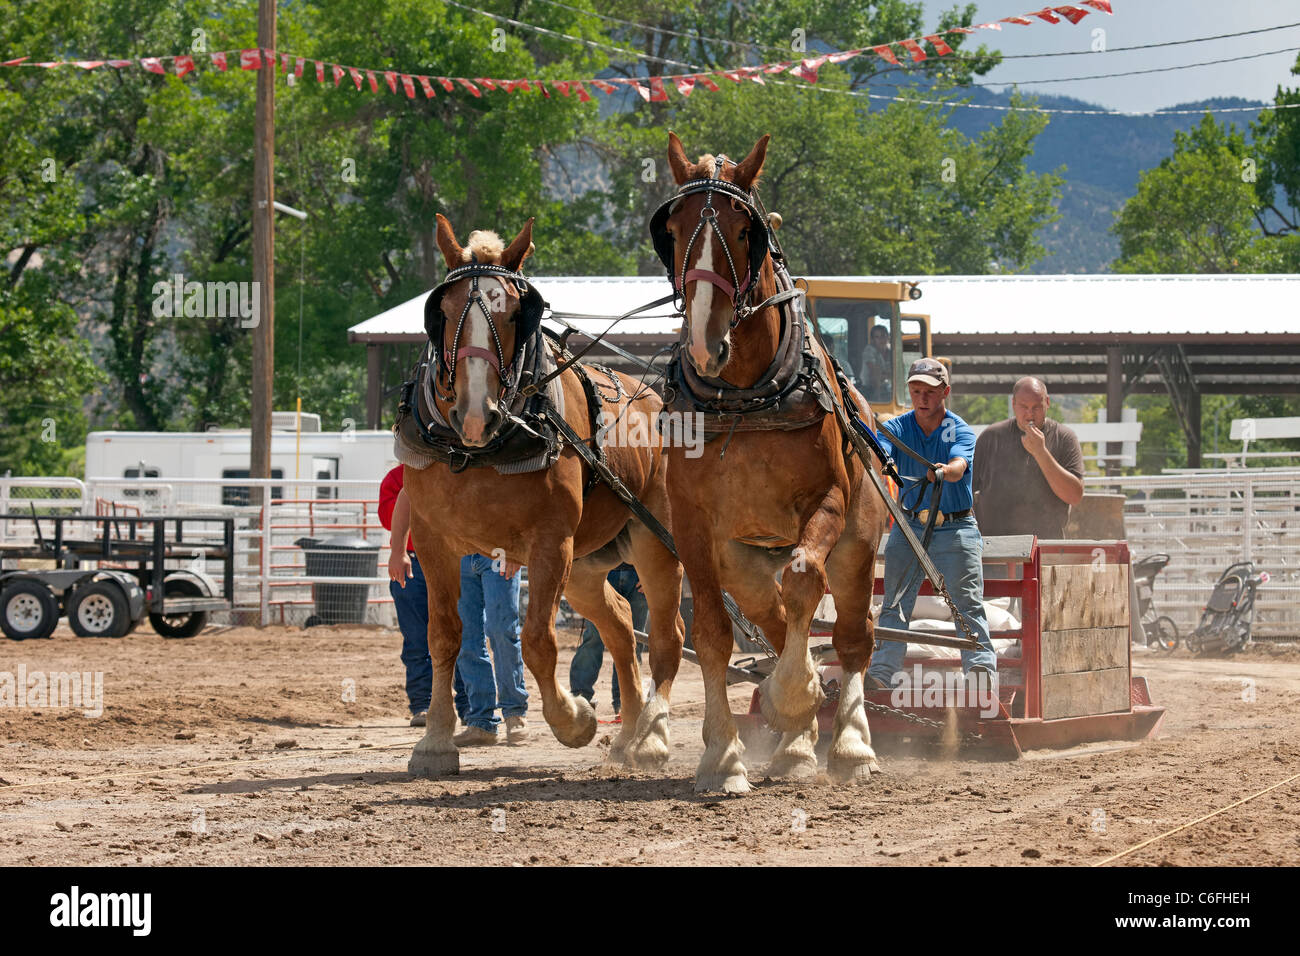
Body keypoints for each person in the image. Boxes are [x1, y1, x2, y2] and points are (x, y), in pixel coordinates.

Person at [866, 358, 997, 692]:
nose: (922, 397)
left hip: (955, 527)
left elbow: (958, 464)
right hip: (908, 526)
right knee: (894, 602)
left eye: (929, 391)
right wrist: (883, 459)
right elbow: (878, 447)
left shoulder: (960, 429)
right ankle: (882, 674)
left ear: (945, 393)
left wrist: (944, 470)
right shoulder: (897, 427)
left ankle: (980, 675)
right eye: (916, 391)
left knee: (966, 605)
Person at [973, 377, 1085, 540]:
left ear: (1047, 402)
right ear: (1013, 404)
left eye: (1036, 407)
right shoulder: (991, 437)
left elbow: (1074, 496)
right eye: (1024, 407)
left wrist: (1041, 452)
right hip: (995, 548)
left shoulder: (1064, 438)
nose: (1030, 414)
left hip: (1045, 548)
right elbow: (965, 490)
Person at [379, 465, 436, 727]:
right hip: (412, 561)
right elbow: (388, 517)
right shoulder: (395, 478)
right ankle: (422, 703)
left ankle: (465, 704)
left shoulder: (397, 479)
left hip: (435, 560)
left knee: (459, 633)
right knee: (416, 638)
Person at [455, 552, 530, 746]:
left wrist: (514, 548)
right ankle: (481, 721)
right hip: (461, 552)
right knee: (466, 637)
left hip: (499, 550)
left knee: (502, 631)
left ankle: (515, 713)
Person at [569, 563, 647, 722]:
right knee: (594, 638)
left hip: (638, 575)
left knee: (632, 643)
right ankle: (581, 699)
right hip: (603, 572)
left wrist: (651, 572)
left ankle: (626, 702)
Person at [859, 322, 892, 403]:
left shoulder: (891, 351)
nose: (881, 339)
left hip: (887, 390)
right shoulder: (869, 351)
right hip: (869, 391)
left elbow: (897, 374)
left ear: (888, 337)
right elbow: (875, 375)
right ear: (873, 340)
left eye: (883, 336)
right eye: (877, 337)